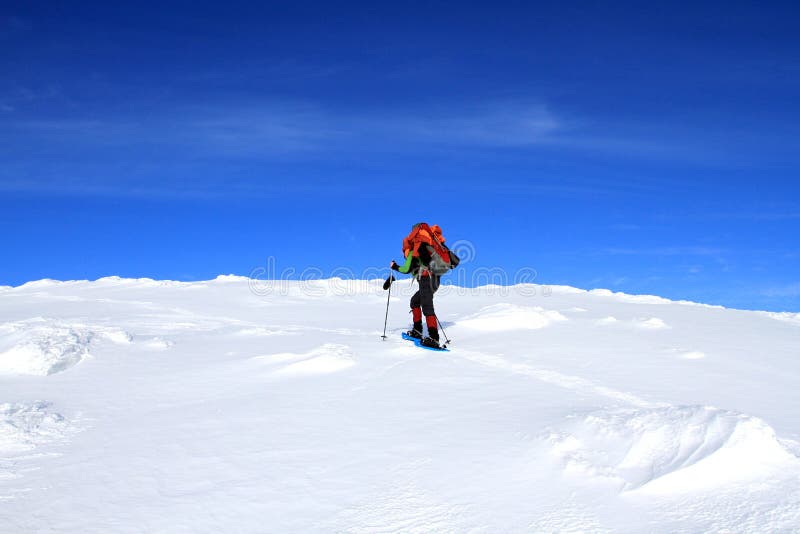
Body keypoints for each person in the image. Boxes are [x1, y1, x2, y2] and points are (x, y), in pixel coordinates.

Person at [391, 223, 449, 349]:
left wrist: (394, 266)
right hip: (434, 281)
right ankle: (418, 331)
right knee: (415, 301)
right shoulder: (426, 247)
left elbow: (406, 269)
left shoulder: (414, 250)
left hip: (426, 279)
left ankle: (434, 338)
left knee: (427, 306)